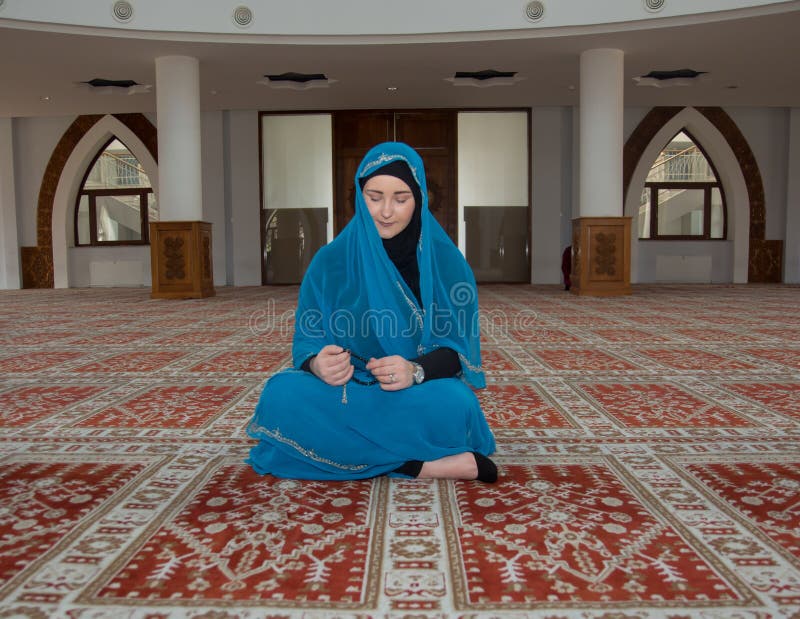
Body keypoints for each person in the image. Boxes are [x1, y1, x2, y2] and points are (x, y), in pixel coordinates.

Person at [246, 141, 497, 482]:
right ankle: (417, 465)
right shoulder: (329, 262)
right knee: (282, 393)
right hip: (347, 389)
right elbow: (307, 339)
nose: (386, 211)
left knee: (455, 403)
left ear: (420, 199)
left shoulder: (447, 265)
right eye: (374, 197)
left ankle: (349, 453)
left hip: (415, 390)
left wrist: (415, 370)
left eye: (401, 198)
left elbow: (459, 351)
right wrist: (318, 364)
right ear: (358, 197)